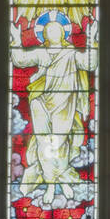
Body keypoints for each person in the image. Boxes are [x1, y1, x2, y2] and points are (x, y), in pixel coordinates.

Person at [10, 14, 97, 206]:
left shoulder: (71, 54)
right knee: (43, 142)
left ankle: (61, 179)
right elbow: (20, 60)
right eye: (49, 30)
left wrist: (92, 39)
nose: (53, 32)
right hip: (39, 101)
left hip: (64, 103)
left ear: (63, 33)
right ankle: (51, 184)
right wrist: (16, 39)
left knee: (60, 143)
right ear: (45, 34)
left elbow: (90, 63)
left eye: (57, 30)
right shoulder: (42, 52)